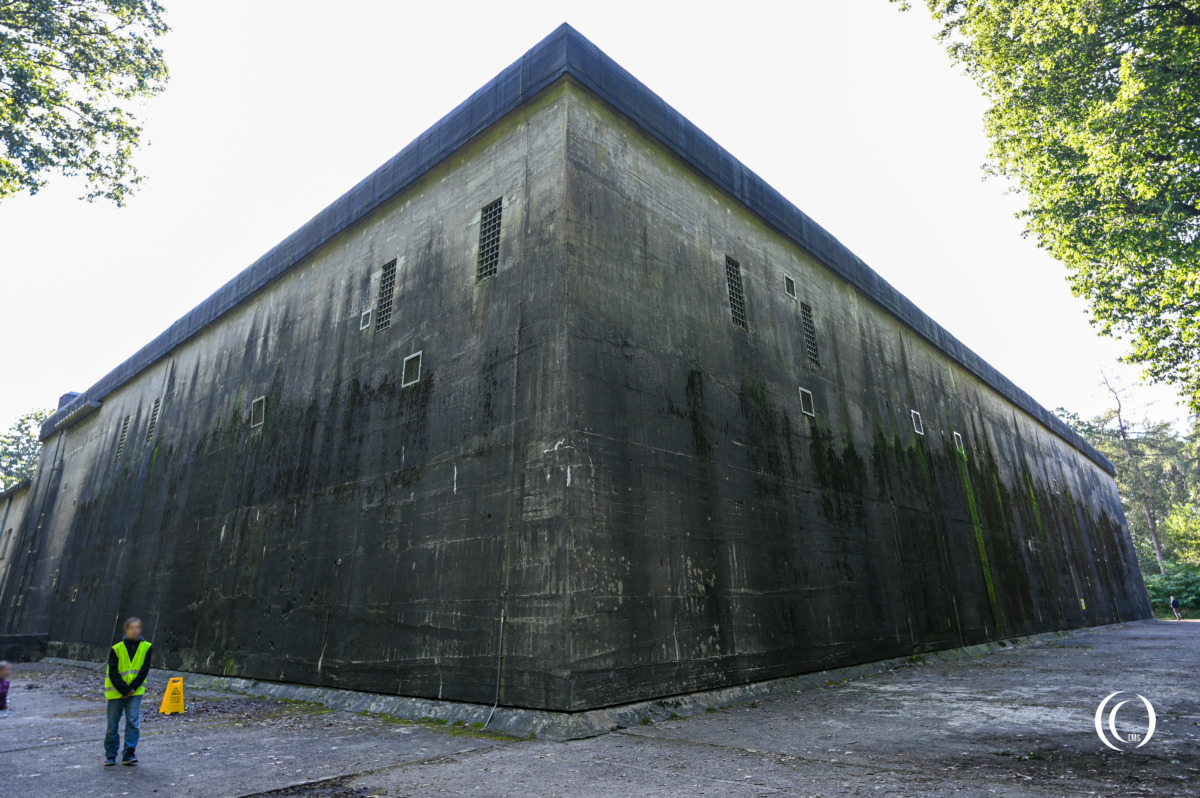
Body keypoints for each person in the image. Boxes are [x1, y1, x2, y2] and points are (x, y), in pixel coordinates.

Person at [104, 617, 152, 766]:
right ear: (127, 630)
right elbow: (113, 672)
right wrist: (125, 689)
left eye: (137, 627)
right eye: (132, 627)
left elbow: (144, 670)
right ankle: (111, 755)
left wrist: (131, 689)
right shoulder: (116, 648)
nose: (134, 630)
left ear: (140, 629)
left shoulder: (146, 647)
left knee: (133, 722)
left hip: (134, 692)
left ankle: (129, 754)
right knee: (112, 724)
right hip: (116, 692)